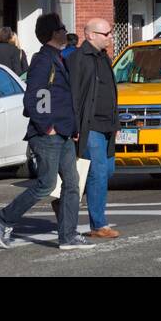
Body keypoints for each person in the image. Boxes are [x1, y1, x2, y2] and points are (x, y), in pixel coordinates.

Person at [0, 13, 95, 250]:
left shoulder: (57, 58)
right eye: (61, 28)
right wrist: (47, 126)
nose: (65, 31)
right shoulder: (43, 60)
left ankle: (67, 236)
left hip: (64, 132)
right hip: (48, 135)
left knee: (72, 183)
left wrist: (73, 128)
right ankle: (4, 218)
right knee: (46, 185)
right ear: (53, 33)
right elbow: (35, 97)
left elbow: (61, 96)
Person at [60, 18, 119, 240]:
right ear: (91, 35)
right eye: (107, 34)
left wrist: (116, 124)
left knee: (107, 171)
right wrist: (74, 126)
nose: (111, 37)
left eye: (111, 33)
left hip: (108, 125)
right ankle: (98, 224)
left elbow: (110, 92)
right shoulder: (79, 59)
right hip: (90, 125)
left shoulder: (104, 58)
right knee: (98, 172)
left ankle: (66, 199)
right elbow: (74, 95)